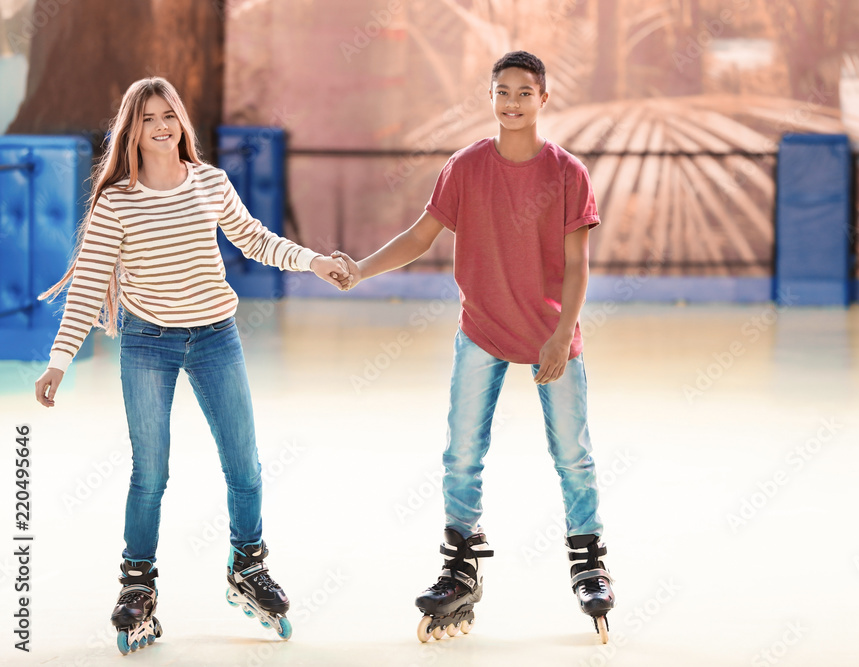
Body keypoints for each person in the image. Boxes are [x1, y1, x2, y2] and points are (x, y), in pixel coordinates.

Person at [33, 77, 350, 652]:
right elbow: (87, 286)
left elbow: (254, 239)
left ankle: (247, 565)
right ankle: (138, 587)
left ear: (181, 122)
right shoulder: (117, 202)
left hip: (214, 336)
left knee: (244, 463)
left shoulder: (209, 182)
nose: (162, 126)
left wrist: (314, 262)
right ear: (131, 128)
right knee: (149, 473)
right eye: (149, 117)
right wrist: (59, 361)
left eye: (170, 115)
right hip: (147, 341)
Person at [332, 51, 615, 643]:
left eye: (524, 92)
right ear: (491, 97)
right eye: (502, 92)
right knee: (462, 452)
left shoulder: (567, 173)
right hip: (482, 327)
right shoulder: (465, 167)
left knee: (573, 454)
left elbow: (576, 265)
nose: (512, 102)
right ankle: (460, 561)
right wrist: (360, 270)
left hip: (549, 332)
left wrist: (562, 334)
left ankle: (588, 558)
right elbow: (420, 236)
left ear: (544, 98)